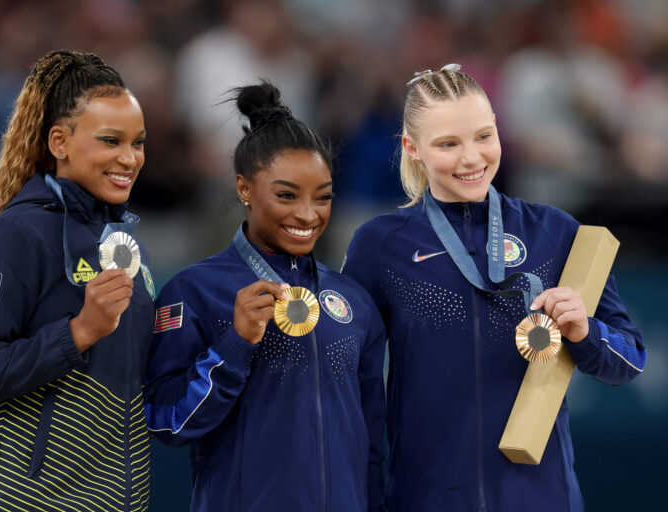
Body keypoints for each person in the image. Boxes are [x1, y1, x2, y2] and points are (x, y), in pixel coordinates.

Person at [342, 64, 647, 512]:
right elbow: (355, 393)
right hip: (427, 499)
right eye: (448, 143)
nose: (472, 158)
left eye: (483, 136)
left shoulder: (555, 232)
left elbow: (631, 360)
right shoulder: (380, 246)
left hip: (543, 498)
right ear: (413, 149)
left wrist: (586, 333)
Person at [144, 82, 386, 512]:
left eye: (323, 197)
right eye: (286, 195)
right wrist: (235, 345)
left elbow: (371, 439)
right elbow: (166, 422)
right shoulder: (195, 291)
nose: (309, 214)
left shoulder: (354, 302)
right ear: (245, 189)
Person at [0, 50, 154, 512]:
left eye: (138, 142)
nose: (129, 158)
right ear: (59, 142)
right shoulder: (15, 234)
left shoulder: (123, 244)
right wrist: (80, 331)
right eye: (111, 141)